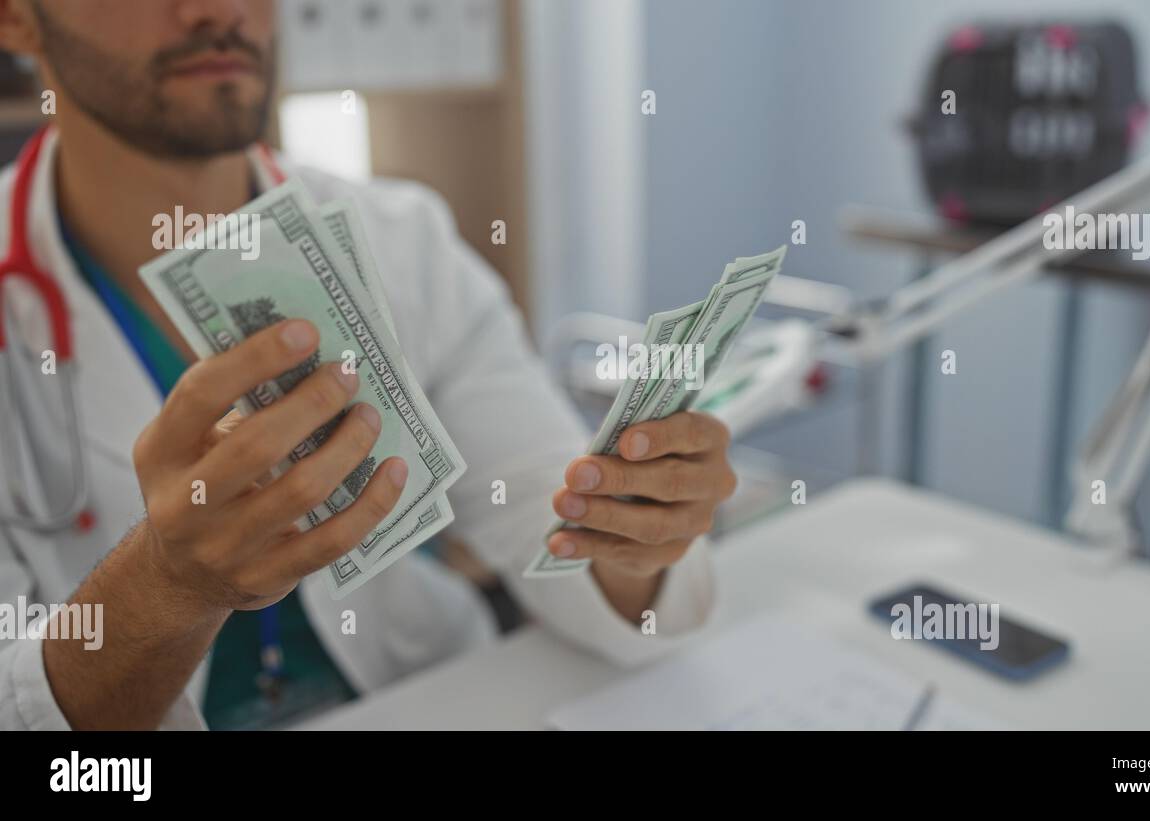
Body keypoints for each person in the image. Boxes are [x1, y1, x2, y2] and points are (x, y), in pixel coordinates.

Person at [0, 0, 732, 730]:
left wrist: (637, 534)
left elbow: (553, 522)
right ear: (16, 19)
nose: (218, 11)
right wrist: (165, 587)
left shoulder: (402, 239)